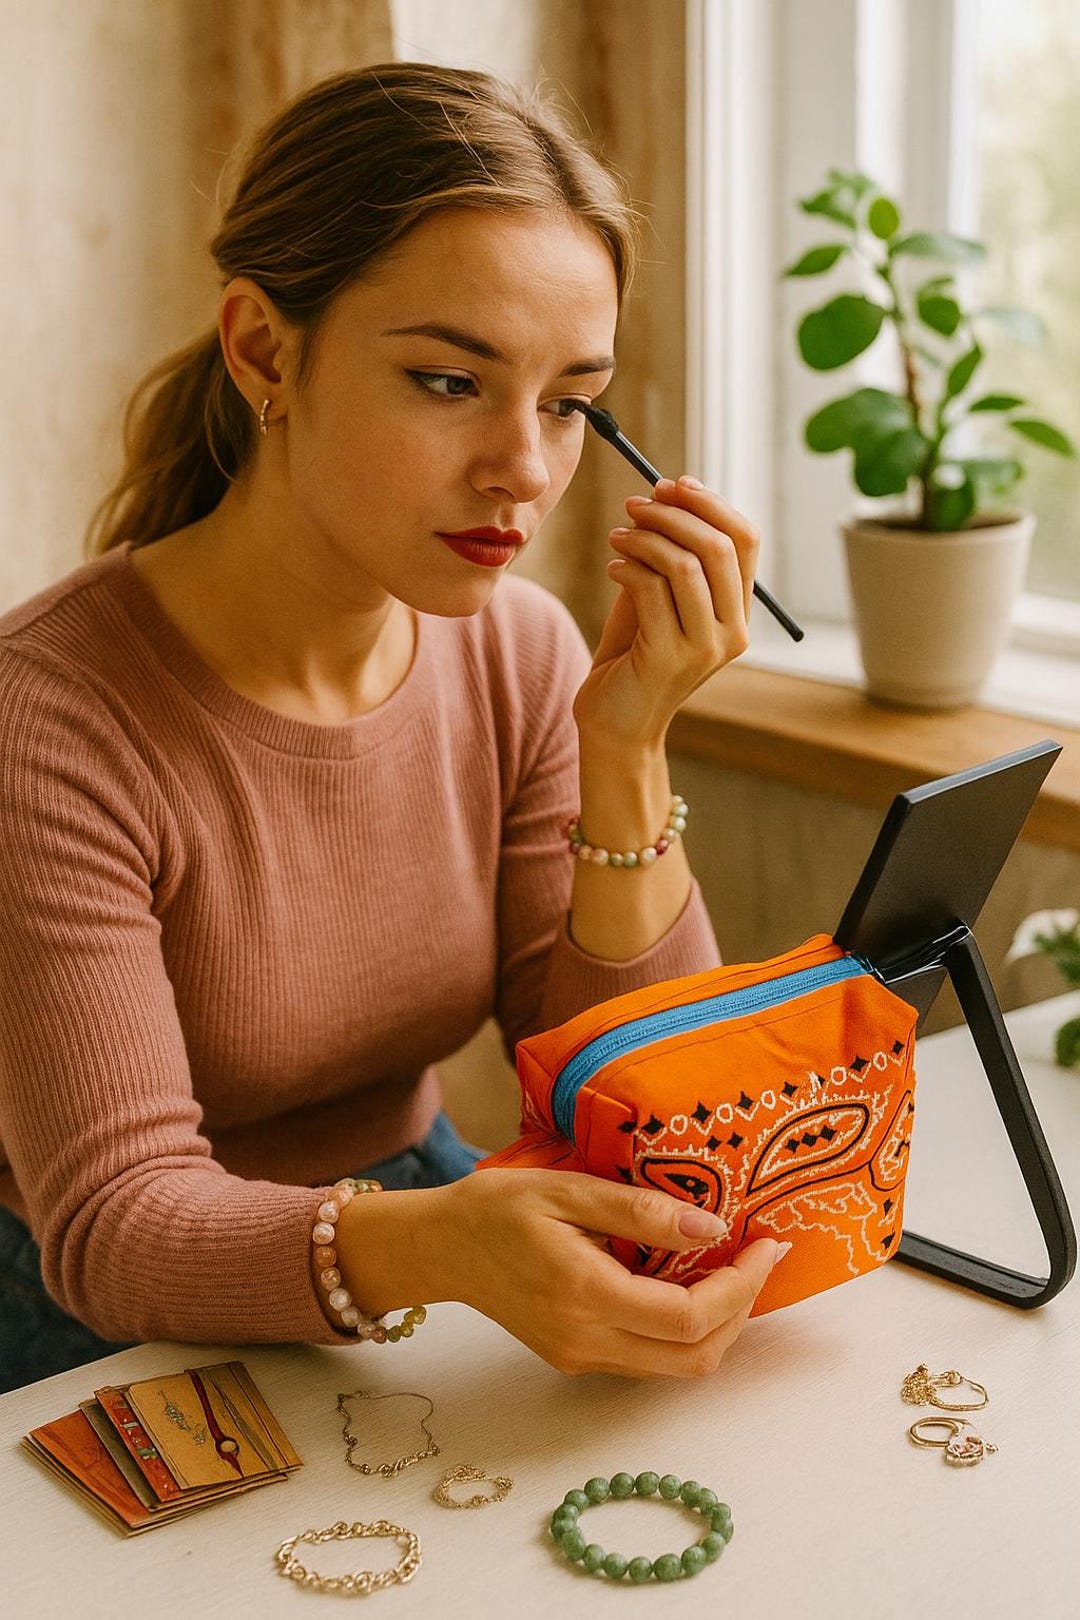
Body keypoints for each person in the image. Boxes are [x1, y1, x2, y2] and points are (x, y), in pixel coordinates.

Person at [0, 61, 782, 1395]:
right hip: (103, 1330)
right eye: (445, 380)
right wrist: (442, 1246)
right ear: (263, 349)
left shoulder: (524, 653)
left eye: (570, 401)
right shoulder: (50, 721)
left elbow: (630, 1096)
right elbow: (116, 1222)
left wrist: (630, 746)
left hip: (426, 1227)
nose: (526, 470)